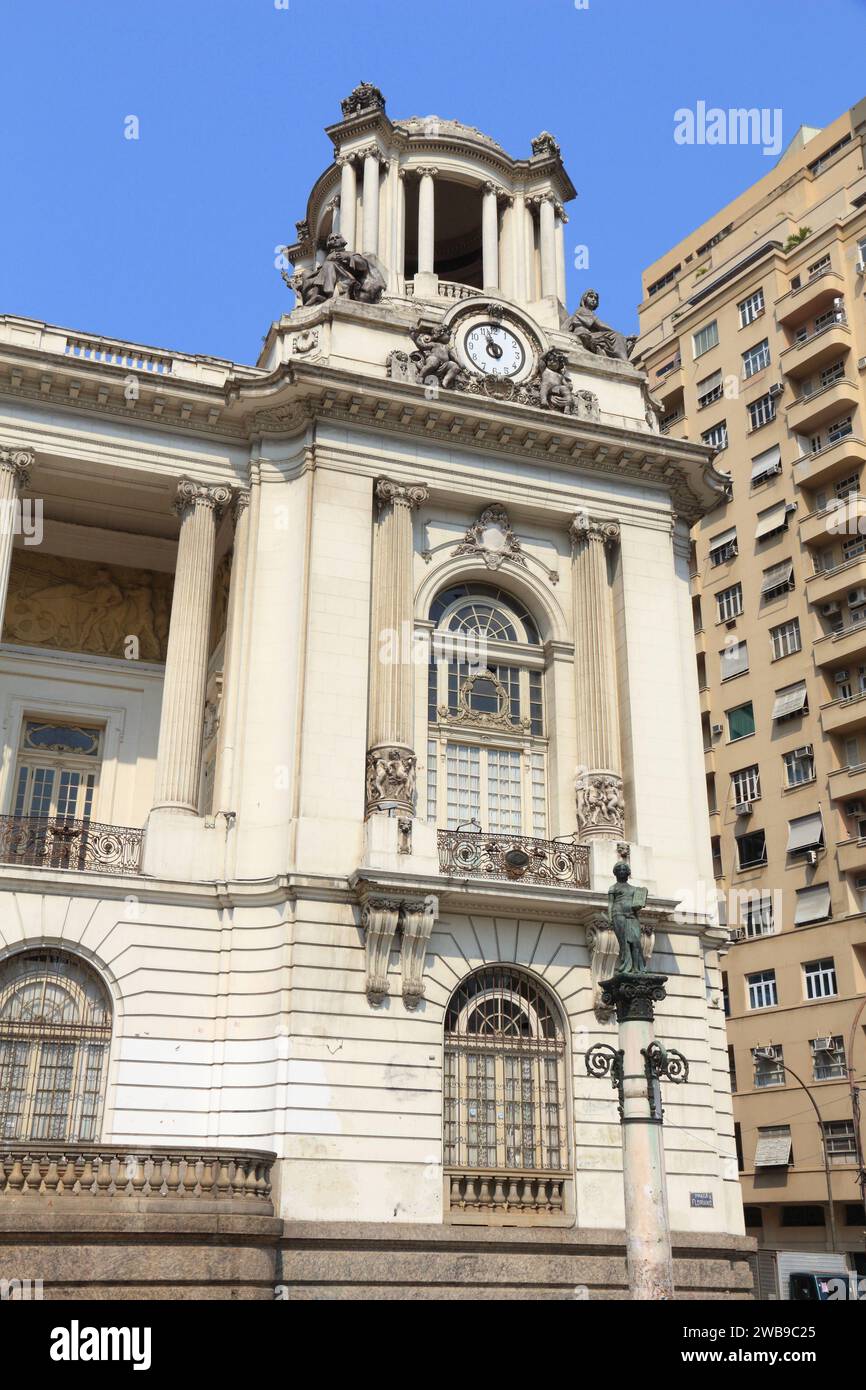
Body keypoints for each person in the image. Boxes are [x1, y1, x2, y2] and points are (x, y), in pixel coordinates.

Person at [567, 289, 635, 362]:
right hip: (584, 334)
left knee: (617, 337)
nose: (593, 299)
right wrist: (616, 332)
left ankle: (621, 358)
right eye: (591, 297)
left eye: (595, 298)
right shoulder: (582, 310)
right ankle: (624, 360)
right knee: (617, 336)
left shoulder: (589, 312)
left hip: (591, 334)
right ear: (585, 299)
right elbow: (600, 325)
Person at [607, 858, 647, 974]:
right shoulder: (613, 888)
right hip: (618, 915)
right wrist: (610, 918)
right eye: (619, 869)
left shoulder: (635, 889)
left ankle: (637, 967)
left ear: (628, 872)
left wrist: (640, 903)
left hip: (632, 916)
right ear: (616, 873)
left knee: (636, 941)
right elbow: (610, 904)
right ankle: (626, 967)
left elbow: (638, 902)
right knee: (624, 943)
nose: (622, 871)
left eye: (624, 869)